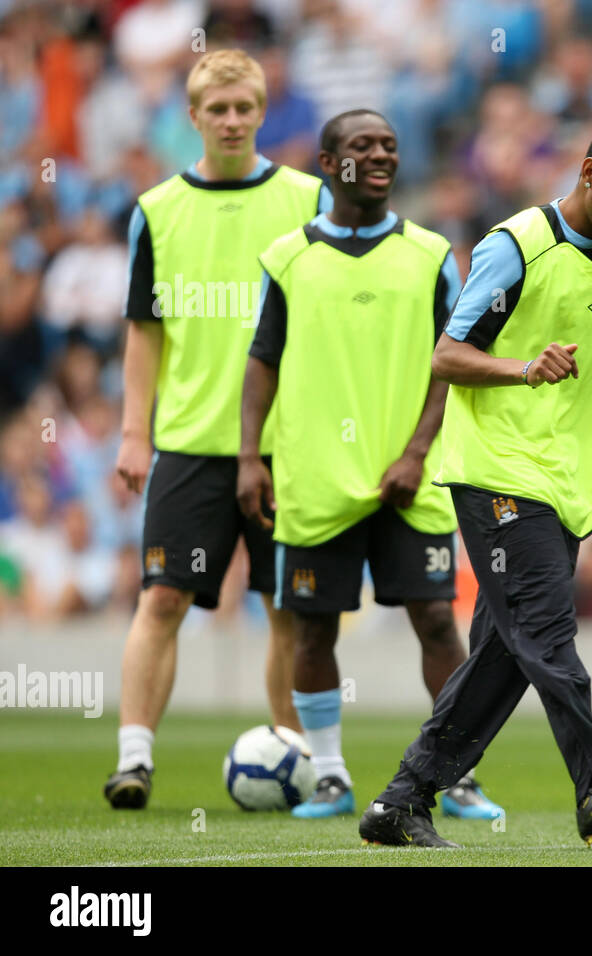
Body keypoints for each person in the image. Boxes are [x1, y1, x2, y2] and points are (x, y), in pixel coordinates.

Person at [358, 116, 592, 848]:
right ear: (589, 172)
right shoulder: (517, 246)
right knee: (546, 631)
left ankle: (402, 802)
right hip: (496, 470)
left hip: (565, 485)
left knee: (505, 655)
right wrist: (523, 368)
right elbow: (449, 354)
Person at [237, 110, 502, 822]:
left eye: (389, 143)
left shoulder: (430, 254)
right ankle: (329, 776)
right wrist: (248, 459)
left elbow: (455, 363)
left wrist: (417, 451)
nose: (381, 154)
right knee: (313, 628)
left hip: (408, 482)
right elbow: (261, 363)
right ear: (329, 163)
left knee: (436, 624)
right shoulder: (288, 256)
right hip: (316, 478)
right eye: (363, 146)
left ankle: (456, 777)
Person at [105, 50, 329, 810]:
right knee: (162, 598)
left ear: (262, 112)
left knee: (289, 608)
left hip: (283, 446)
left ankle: (299, 762)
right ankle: (134, 760)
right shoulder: (157, 210)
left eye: (244, 107)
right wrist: (134, 432)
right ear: (193, 117)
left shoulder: (309, 200)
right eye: (217, 109)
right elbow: (144, 331)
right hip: (190, 444)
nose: (231, 121)